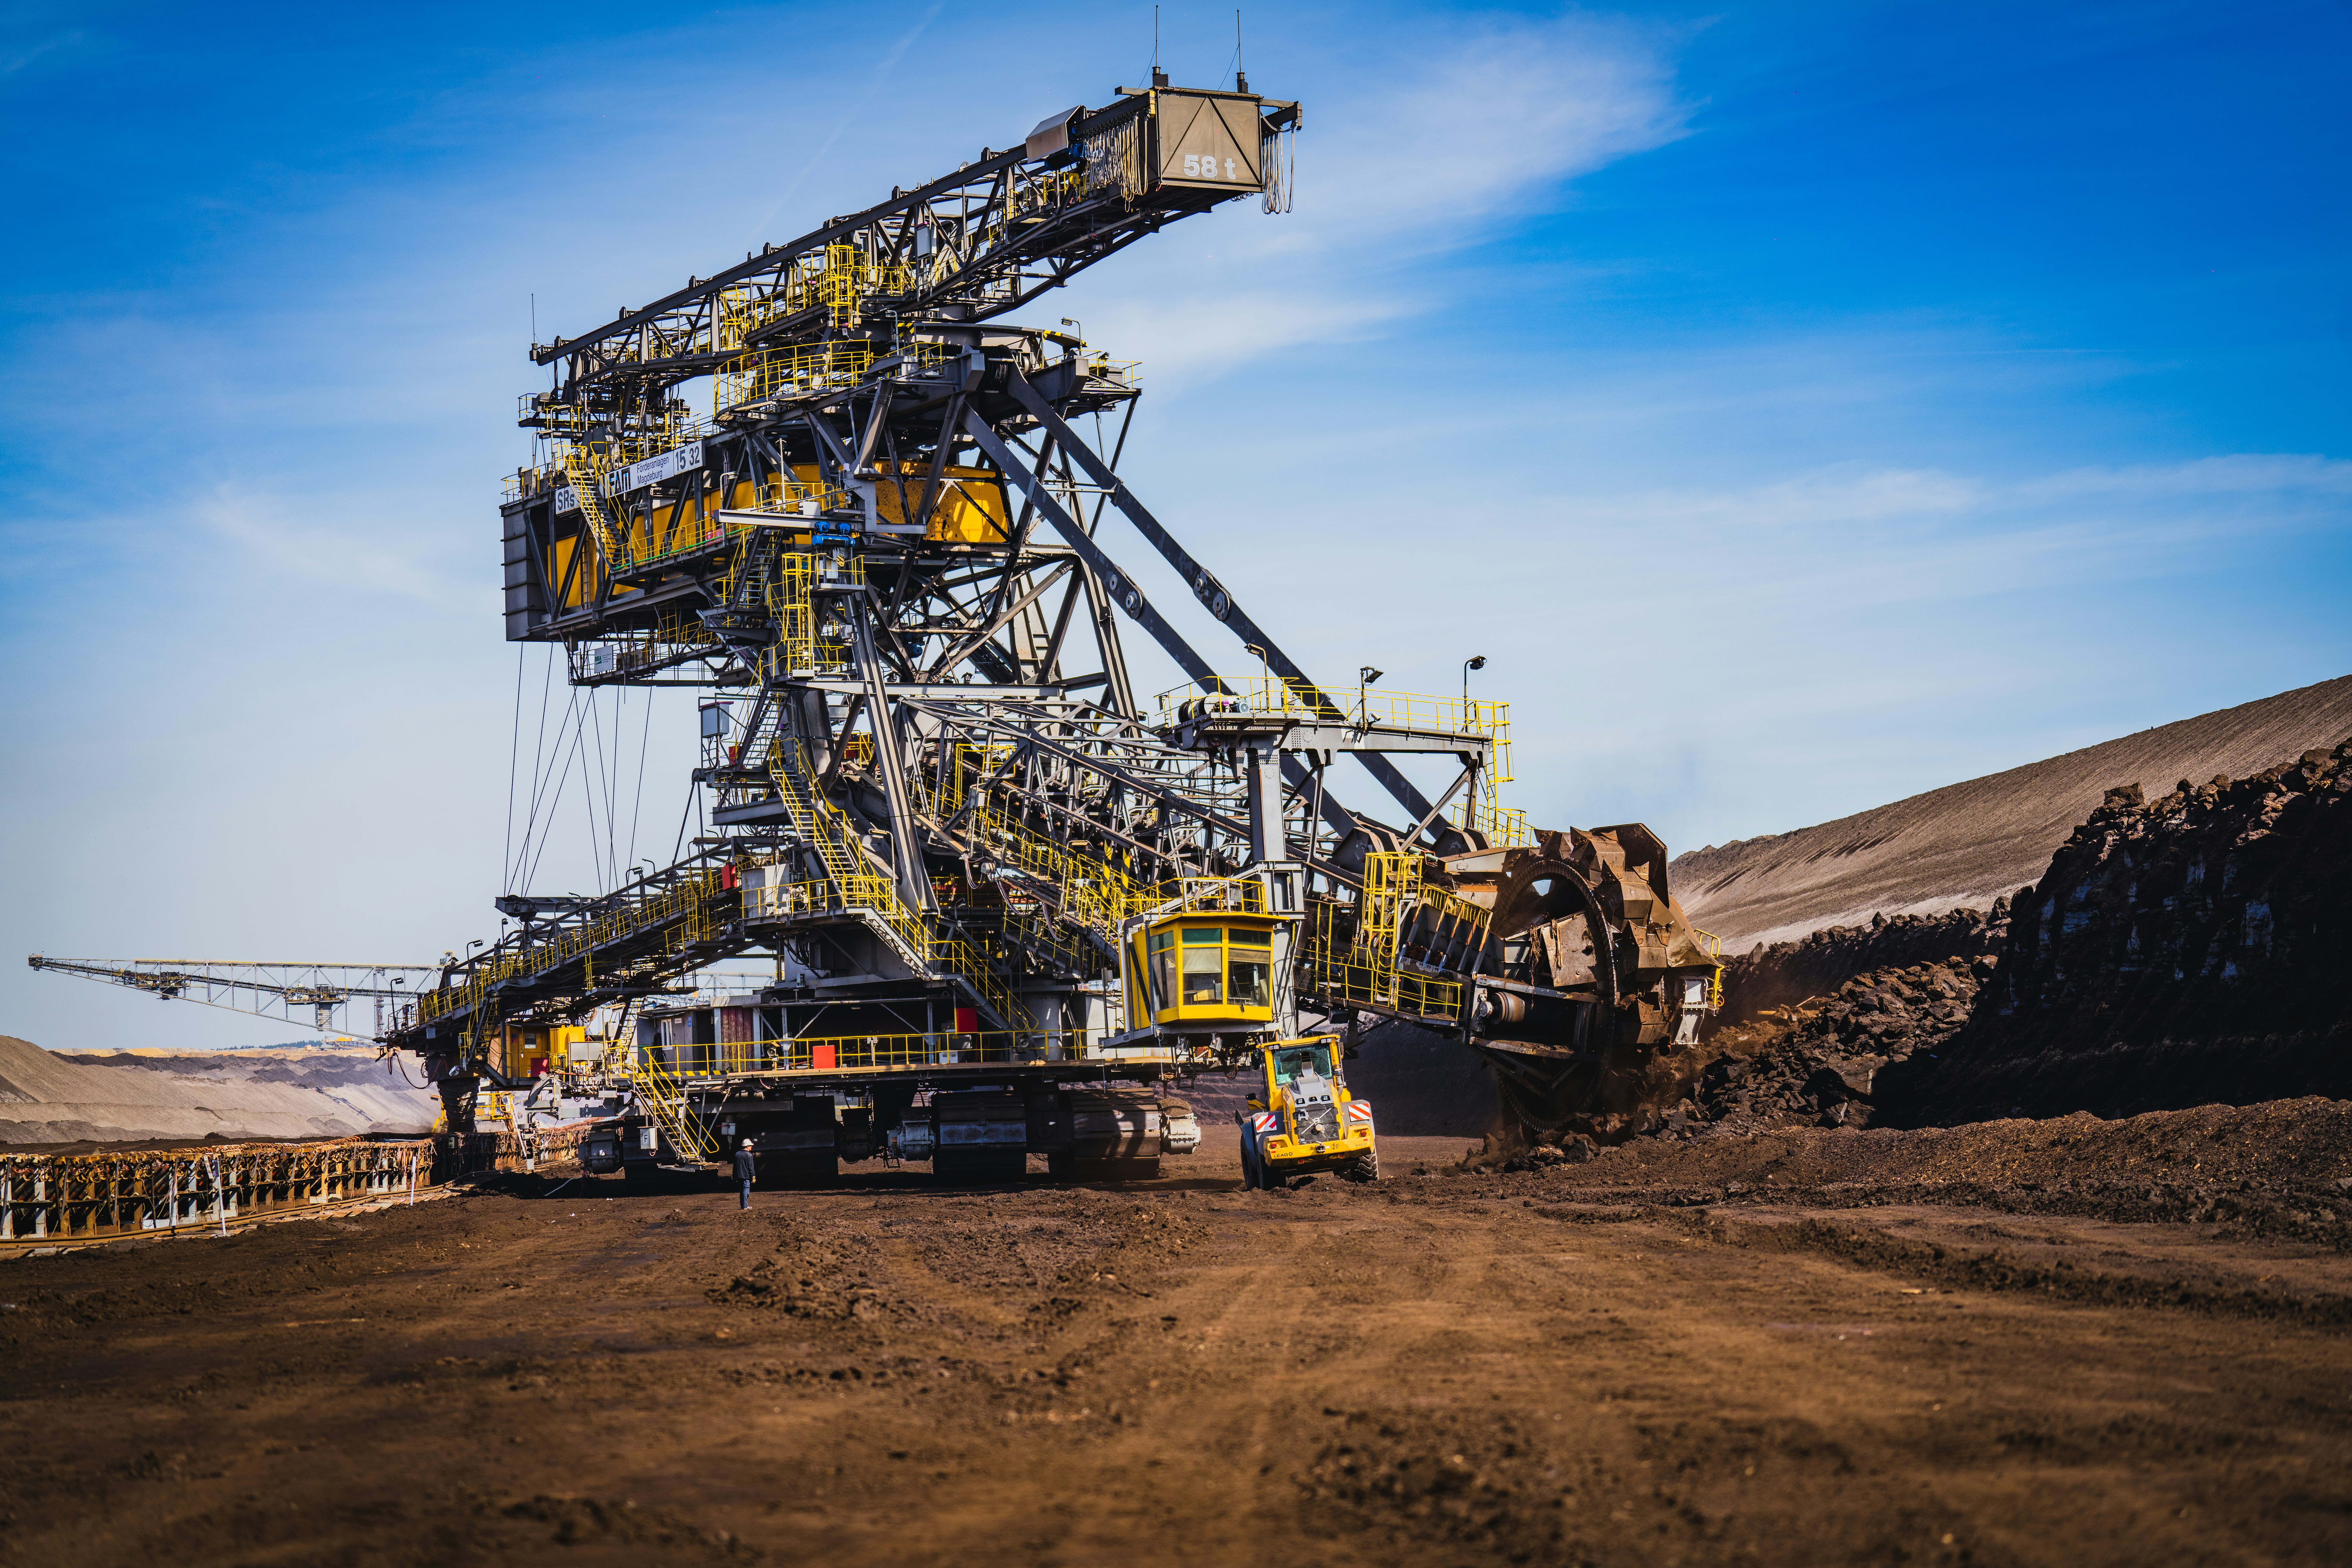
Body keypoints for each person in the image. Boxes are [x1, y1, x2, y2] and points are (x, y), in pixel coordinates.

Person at [734, 1138, 758, 1208]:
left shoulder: (737, 1154)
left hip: (739, 1176)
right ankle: (745, 1206)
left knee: (742, 1190)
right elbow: (751, 1167)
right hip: (746, 1176)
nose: (752, 1147)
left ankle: (743, 1206)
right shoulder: (749, 1155)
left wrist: (734, 1175)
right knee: (746, 1189)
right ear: (747, 1146)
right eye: (750, 1146)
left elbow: (735, 1166)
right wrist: (753, 1176)